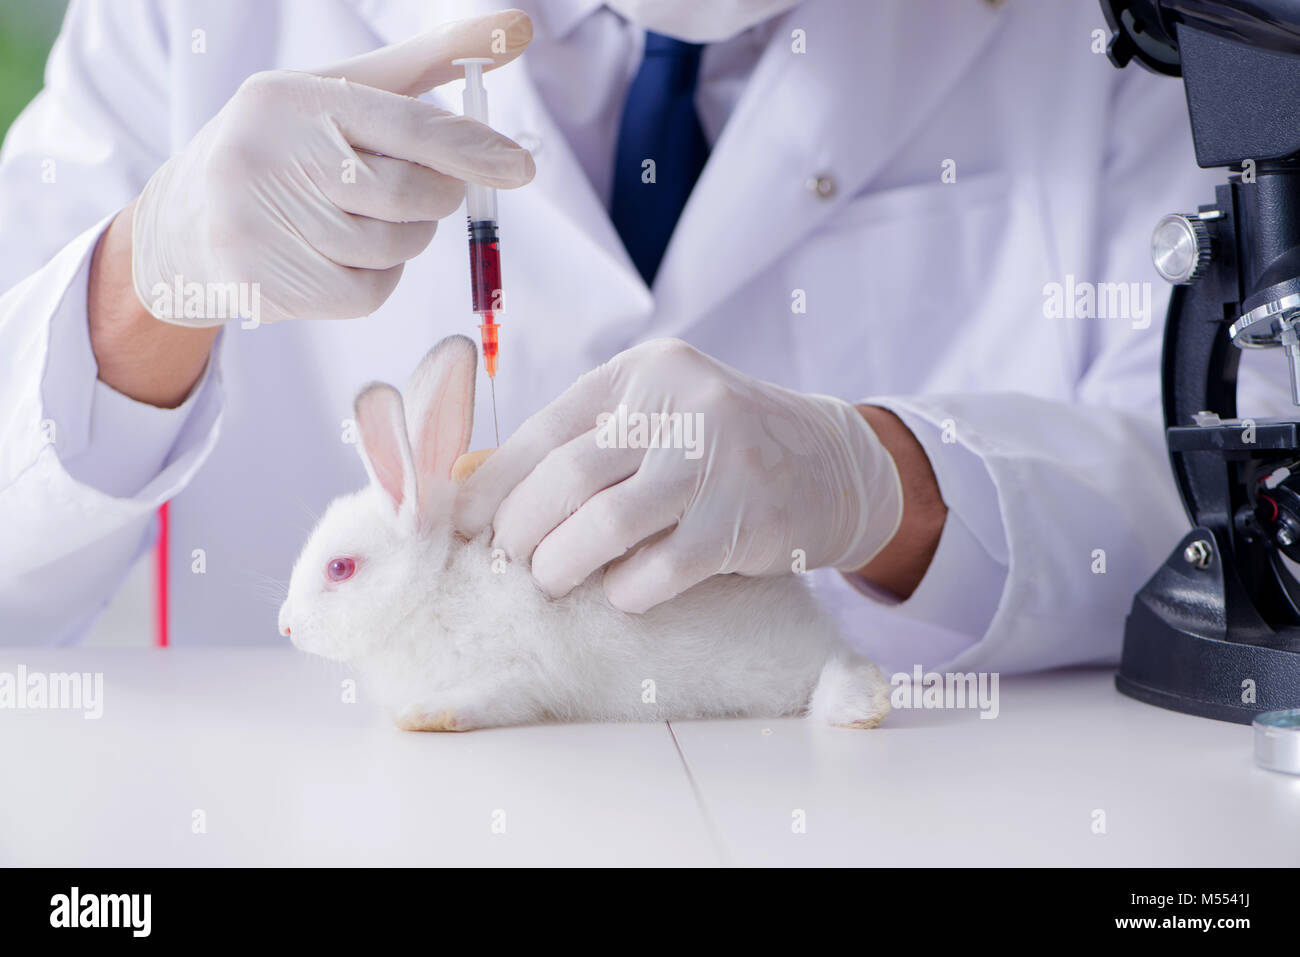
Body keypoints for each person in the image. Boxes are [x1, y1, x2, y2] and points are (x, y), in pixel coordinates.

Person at [0, 0, 1276, 673]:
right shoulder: (186, 16)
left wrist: (889, 487)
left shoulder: (1116, 32)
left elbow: (1226, 499)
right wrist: (139, 290)